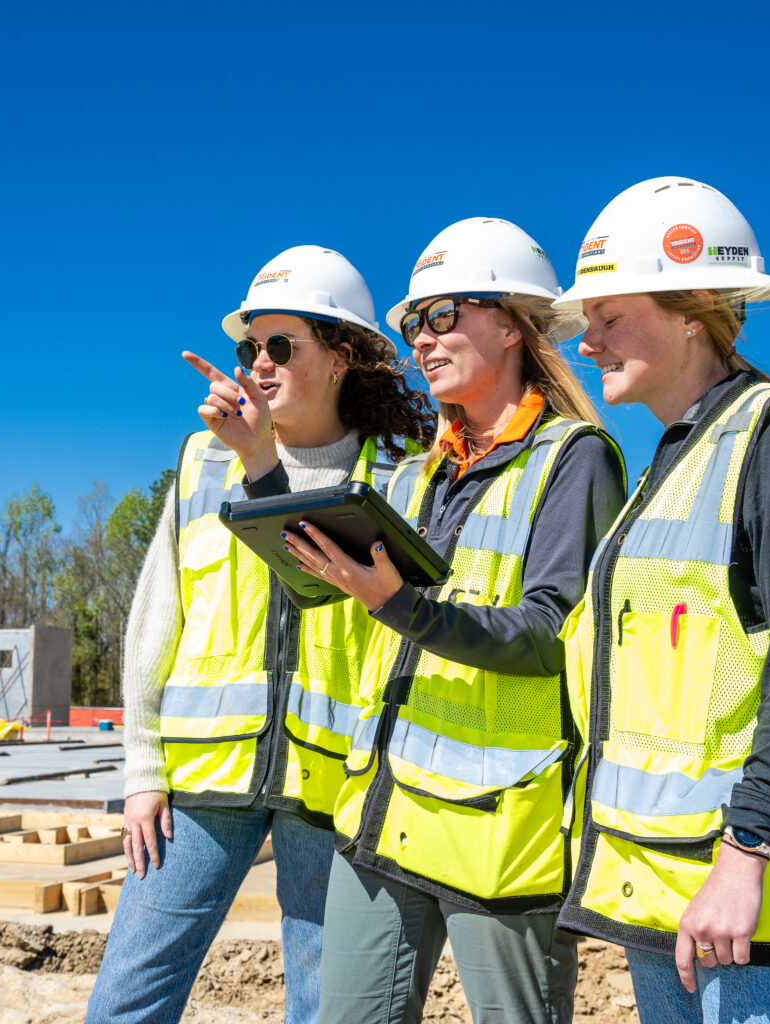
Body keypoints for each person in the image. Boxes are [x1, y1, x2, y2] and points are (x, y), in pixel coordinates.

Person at [237, 218, 627, 1023]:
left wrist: (400, 605)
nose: (421, 337)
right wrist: (262, 472)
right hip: (382, 818)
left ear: (513, 324)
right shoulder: (419, 471)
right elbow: (321, 592)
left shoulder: (573, 457)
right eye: (414, 323)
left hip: (498, 839)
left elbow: (552, 633)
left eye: (443, 315)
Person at [553, 177, 770, 1023]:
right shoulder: (671, 461)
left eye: (609, 315)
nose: (587, 342)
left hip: (758, 914)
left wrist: (746, 853)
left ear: (694, 304)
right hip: (671, 896)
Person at [83, 245, 434, 1024]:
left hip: (331, 791)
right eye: (250, 348)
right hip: (202, 783)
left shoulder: (399, 475)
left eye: (282, 346)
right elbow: (156, 615)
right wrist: (142, 767)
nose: (258, 364)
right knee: (125, 1002)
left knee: (323, 1004)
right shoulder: (203, 462)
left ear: (343, 356)